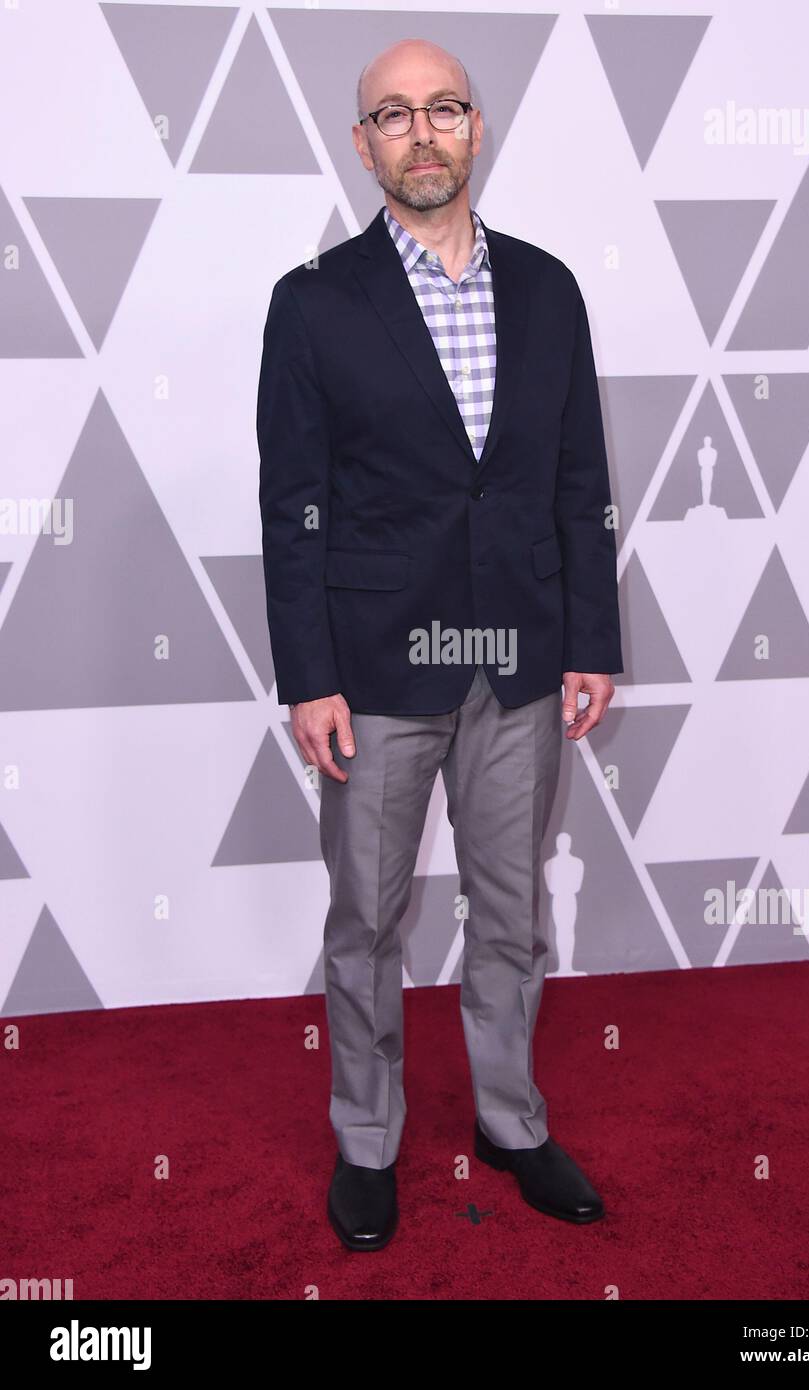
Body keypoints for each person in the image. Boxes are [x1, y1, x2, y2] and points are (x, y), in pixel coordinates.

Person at [256, 36, 623, 1252]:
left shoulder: (550, 289)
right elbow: (292, 501)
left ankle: (512, 1123)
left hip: (518, 664)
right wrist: (307, 674)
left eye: (443, 109)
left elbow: (578, 482)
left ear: (477, 126)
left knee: (512, 912)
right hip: (373, 672)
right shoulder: (311, 303)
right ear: (362, 145)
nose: (422, 133)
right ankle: (367, 1141)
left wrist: (591, 639)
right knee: (366, 919)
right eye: (393, 116)